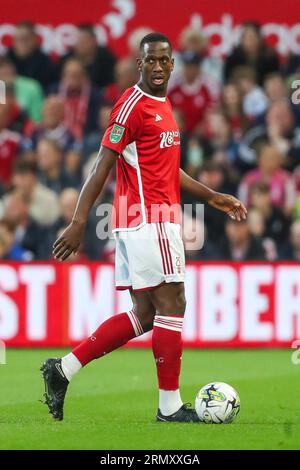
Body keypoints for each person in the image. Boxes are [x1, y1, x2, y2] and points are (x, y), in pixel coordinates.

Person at [41, 33, 247, 423]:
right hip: (148, 217)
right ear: (139, 64)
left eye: (163, 61)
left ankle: (63, 369)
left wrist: (212, 196)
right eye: (149, 60)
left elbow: (167, 167)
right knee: (174, 303)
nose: (156, 67)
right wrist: (79, 220)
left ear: (173, 65)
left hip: (143, 219)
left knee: (146, 313)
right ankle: (169, 407)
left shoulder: (162, 103)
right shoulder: (131, 106)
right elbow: (102, 162)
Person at [5, 21, 57, 90]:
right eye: (18, 39)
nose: (21, 43)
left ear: (34, 40)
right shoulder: (6, 60)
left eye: (25, 39)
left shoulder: (45, 63)